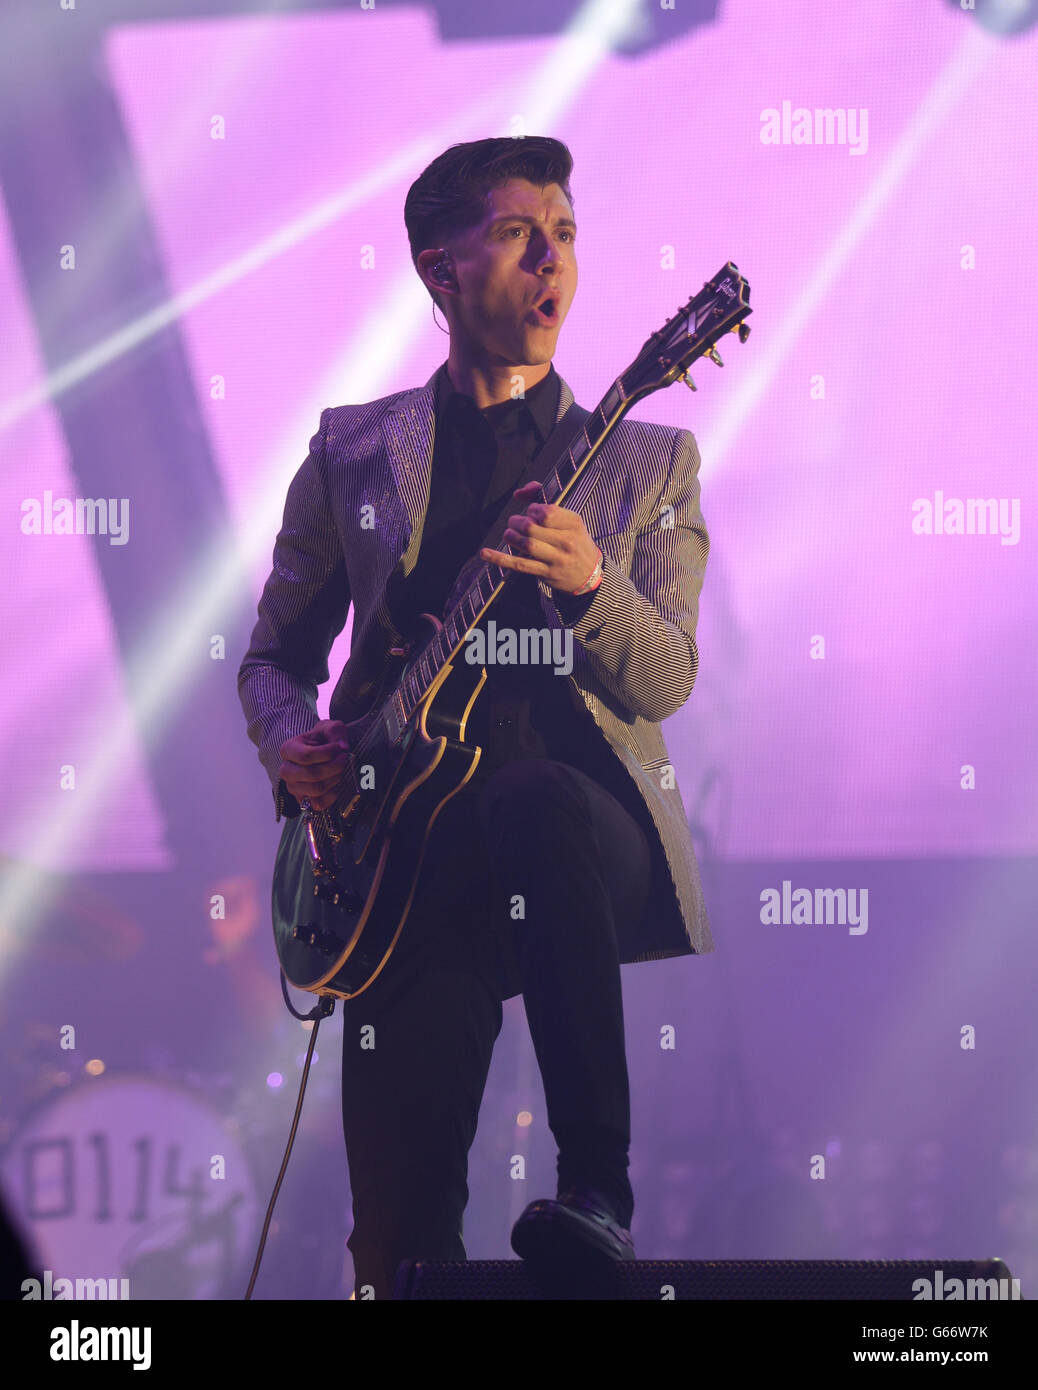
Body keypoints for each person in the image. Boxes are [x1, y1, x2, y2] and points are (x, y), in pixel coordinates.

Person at [237, 136, 714, 1300]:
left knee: (534, 797)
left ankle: (598, 1187)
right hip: (400, 849)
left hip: (572, 828)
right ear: (438, 271)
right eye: (516, 233)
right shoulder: (355, 446)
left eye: (565, 232)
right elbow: (272, 659)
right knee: (399, 1240)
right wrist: (291, 746)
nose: (552, 257)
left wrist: (592, 586)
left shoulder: (647, 461)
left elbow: (667, 679)